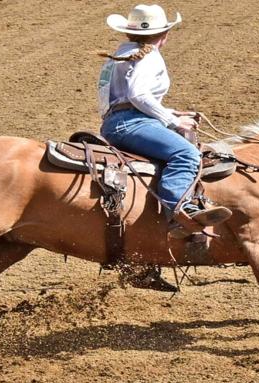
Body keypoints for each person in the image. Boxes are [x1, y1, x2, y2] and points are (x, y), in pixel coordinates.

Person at [97, 5, 231, 238]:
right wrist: (171, 121)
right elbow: (137, 95)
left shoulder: (119, 55)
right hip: (132, 123)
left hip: (114, 123)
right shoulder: (149, 56)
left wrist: (170, 113)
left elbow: (123, 100)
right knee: (187, 154)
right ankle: (180, 212)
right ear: (165, 34)